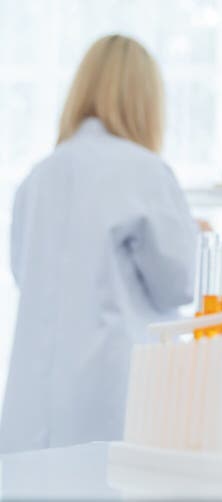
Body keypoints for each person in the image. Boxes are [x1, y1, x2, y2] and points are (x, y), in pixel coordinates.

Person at [0, 35, 199, 452]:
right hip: (113, 401)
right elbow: (177, 283)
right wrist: (193, 233)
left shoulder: (36, 178)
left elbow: (24, 274)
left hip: (28, 411)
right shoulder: (144, 172)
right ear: (146, 101)